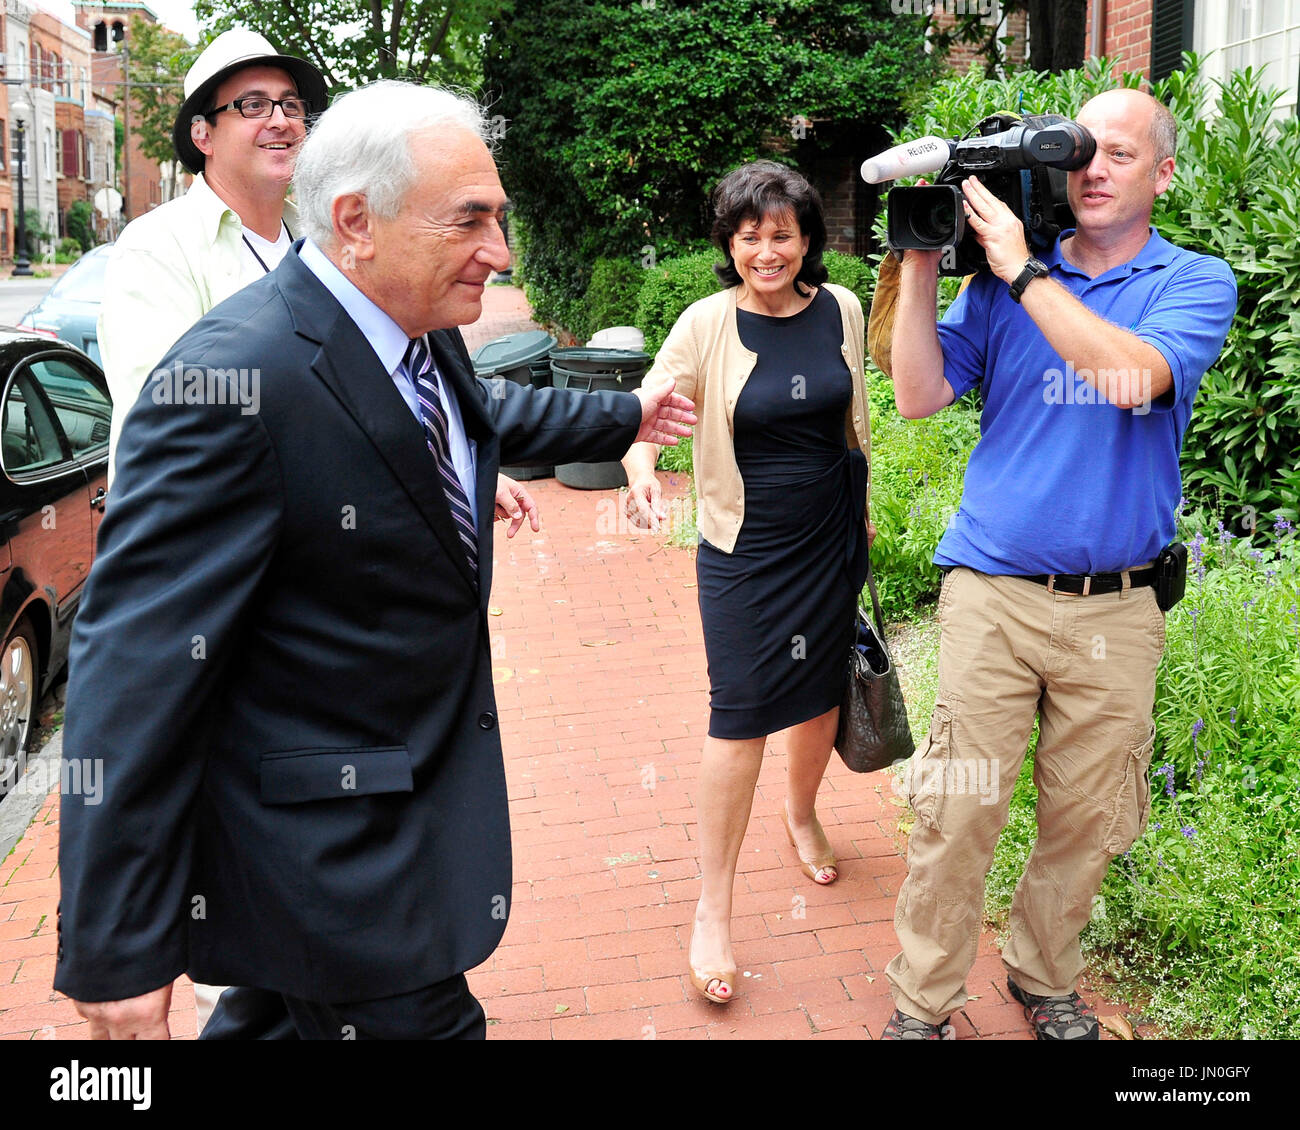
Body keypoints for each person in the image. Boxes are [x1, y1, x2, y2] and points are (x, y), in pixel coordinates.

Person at [53, 79, 695, 1040]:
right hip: (338, 865)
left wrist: (627, 410)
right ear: (356, 220)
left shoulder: (420, 335)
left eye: (501, 218)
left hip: (361, 857)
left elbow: (479, 421)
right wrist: (112, 942)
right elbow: (132, 663)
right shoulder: (231, 381)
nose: (501, 252)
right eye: (470, 220)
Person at [877, 88, 1236, 1040]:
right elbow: (916, 394)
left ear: (1161, 173)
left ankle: (1043, 978)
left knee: (1088, 820)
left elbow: (1130, 381)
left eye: (1119, 154)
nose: (1093, 170)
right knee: (957, 811)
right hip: (991, 593)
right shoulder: (994, 284)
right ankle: (923, 1002)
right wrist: (921, 258)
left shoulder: (1193, 283)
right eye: (1080, 152)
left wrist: (1027, 272)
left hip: (1118, 608)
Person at [622, 161, 873, 1006]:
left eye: (783, 234)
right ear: (730, 243)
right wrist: (641, 467)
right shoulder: (705, 323)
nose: (767, 251)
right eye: (750, 236)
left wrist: (862, 513)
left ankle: (801, 812)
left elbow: (853, 418)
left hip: (830, 539)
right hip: (743, 551)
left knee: (820, 696)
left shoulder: (840, 307)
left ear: (808, 239)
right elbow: (646, 410)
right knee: (739, 718)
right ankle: (713, 909)